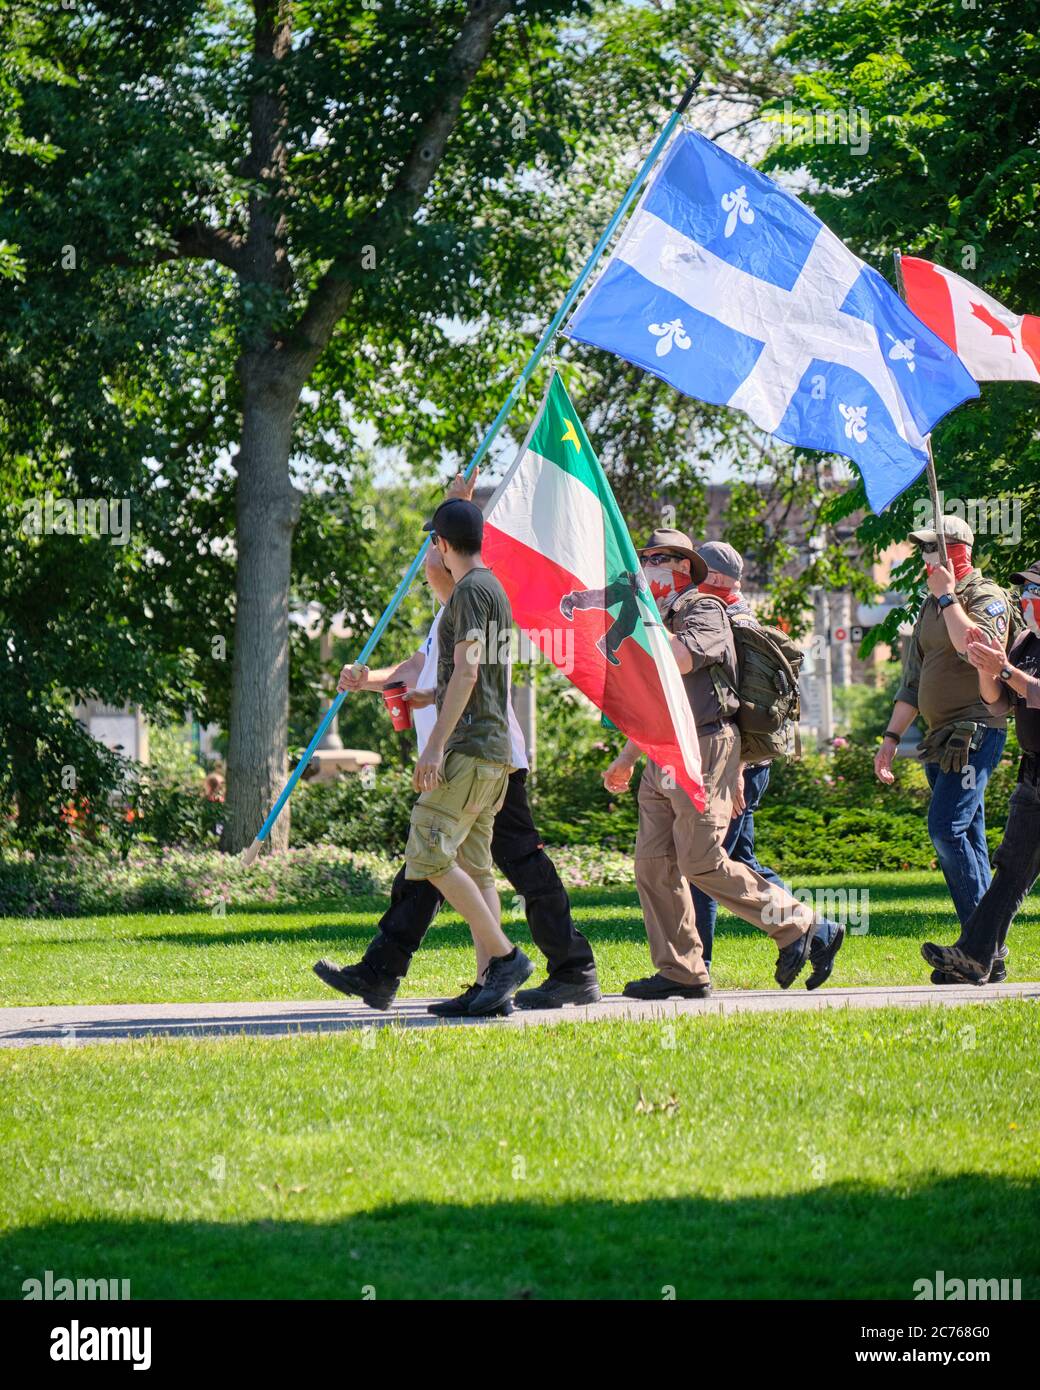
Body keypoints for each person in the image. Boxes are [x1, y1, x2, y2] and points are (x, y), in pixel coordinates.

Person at [314, 540, 601, 1015]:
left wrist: (431, 747)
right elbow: (412, 670)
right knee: (446, 867)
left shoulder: (470, 602)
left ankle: (564, 967)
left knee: (497, 860)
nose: (424, 562)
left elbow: (466, 676)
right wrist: (363, 679)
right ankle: (433, 976)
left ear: (446, 558)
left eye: (432, 551)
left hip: (483, 757)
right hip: (466, 758)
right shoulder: (446, 617)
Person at [603, 528, 844, 999]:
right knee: (653, 865)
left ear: (678, 567)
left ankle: (803, 925)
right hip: (662, 751)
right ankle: (681, 970)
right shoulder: (659, 614)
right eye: (643, 557)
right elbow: (653, 699)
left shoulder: (702, 610)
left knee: (701, 861)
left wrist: (640, 627)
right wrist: (627, 757)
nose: (644, 566)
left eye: (653, 559)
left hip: (704, 746)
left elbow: (677, 661)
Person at [874, 517, 1013, 981]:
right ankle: (984, 955)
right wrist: (891, 739)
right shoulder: (930, 605)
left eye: (931, 548)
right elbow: (912, 680)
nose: (923, 557)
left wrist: (950, 596)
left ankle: (983, 946)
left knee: (946, 829)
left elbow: (976, 647)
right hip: (938, 739)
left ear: (958, 550)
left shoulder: (985, 596)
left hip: (975, 730)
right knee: (967, 835)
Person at [921, 563, 1040, 984]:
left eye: (1034, 592)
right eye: (1025, 593)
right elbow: (999, 705)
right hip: (1034, 776)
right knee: (1009, 872)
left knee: (996, 862)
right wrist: (985, 670)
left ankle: (976, 953)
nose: (1026, 600)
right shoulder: (1026, 642)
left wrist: (1003, 669)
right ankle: (976, 957)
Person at [686, 541, 784, 973]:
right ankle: (813, 931)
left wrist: (736, 772)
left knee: (706, 862)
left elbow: (741, 703)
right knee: (736, 859)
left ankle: (697, 962)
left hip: (737, 764)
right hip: (741, 761)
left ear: (719, 580)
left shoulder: (734, 625)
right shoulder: (730, 617)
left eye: (698, 573)